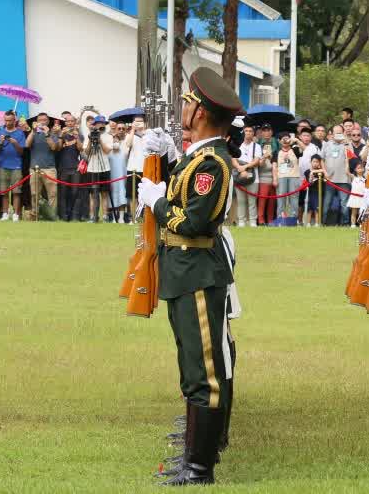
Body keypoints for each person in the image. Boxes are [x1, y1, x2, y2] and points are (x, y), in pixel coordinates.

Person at [135, 66, 242, 486]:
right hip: (182, 271)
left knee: (205, 372)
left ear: (199, 112)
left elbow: (193, 221)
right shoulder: (197, 157)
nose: (182, 107)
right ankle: (194, 455)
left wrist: (158, 203)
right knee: (191, 365)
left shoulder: (211, 162)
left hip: (197, 271)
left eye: (186, 101)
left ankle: (200, 468)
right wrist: (160, 160)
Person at [0, 115, 27, 221]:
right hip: (3, 165)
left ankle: (16, 214)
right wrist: (1, 142)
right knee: (4, 191)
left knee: (17, 191)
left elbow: (22, 152)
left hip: (16, 165)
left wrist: (15, 143)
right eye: (6, 120)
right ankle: (5, 213)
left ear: (14, 121)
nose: (8, 122)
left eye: (10, 120)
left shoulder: (20, 133)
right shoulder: (0, 133)